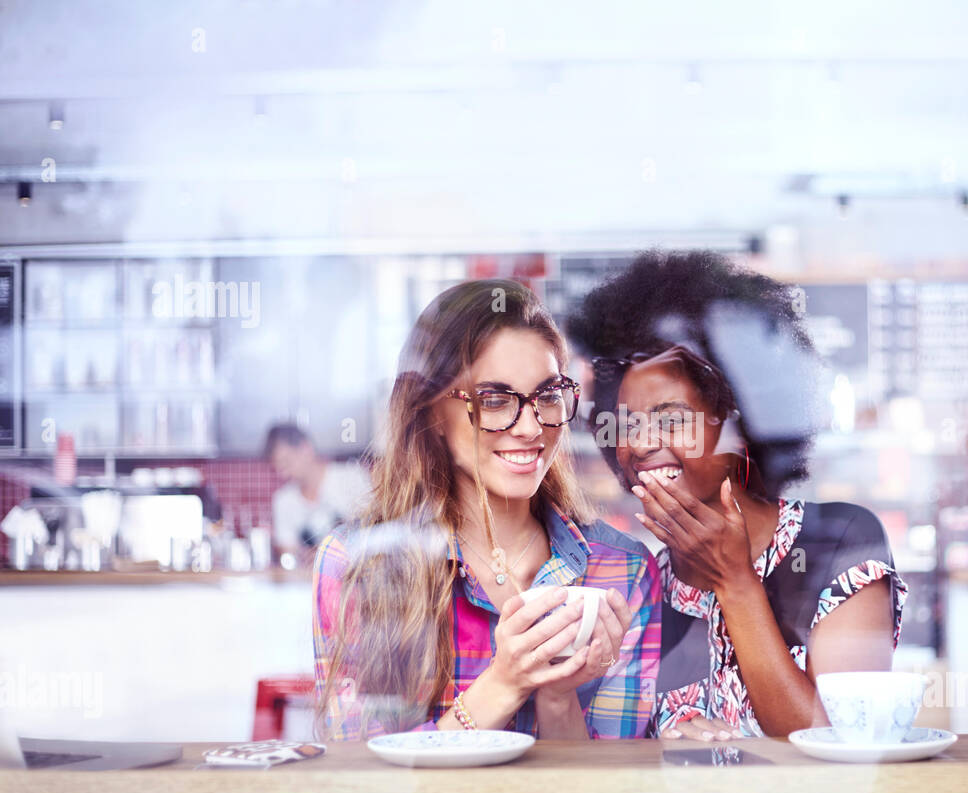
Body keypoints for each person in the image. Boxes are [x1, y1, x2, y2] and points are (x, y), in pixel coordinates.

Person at [567, 250, 906, 740]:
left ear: (740, 423)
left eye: (670, 419)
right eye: (626, 423)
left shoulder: (839, 542)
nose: (639, 444)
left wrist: (735, 581)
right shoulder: (643, 584)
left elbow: (841, 745)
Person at [311, 279, 661, 742]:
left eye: (548, 395)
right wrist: (504, 684)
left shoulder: (623, 571)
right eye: (494, 400)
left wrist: (557, 696)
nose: (531, 426)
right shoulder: (355, 564)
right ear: (431, 410)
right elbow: (360, 779)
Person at [266, 424, 372, 566]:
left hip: (354, 579)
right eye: (278, 467)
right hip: (307, 582)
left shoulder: (352, 478)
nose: (283, 473)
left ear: (306, 449)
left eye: (287, 462)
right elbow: (287, 552)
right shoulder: (283, 500)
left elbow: (374, 532)